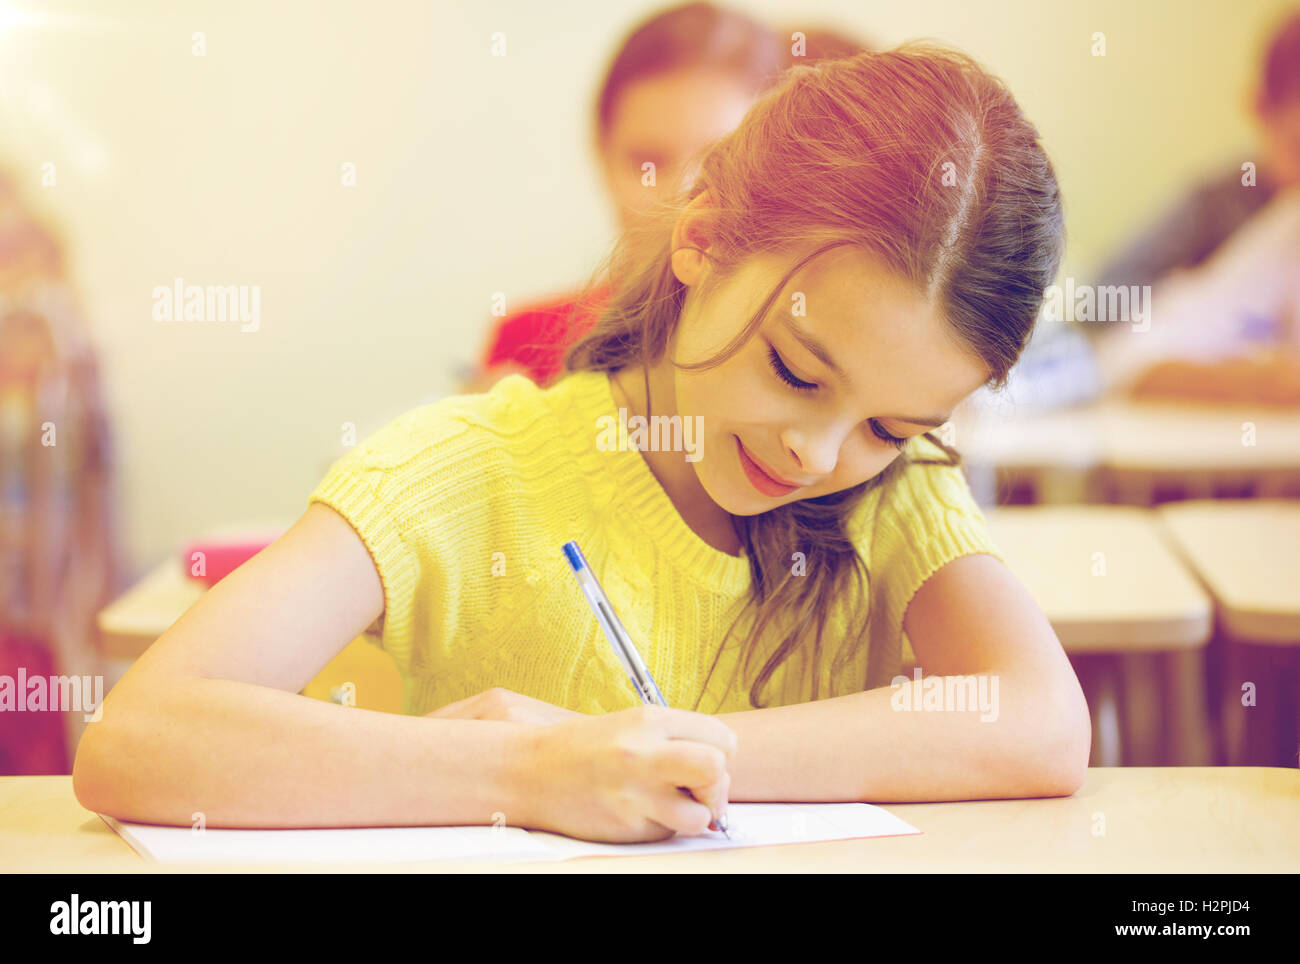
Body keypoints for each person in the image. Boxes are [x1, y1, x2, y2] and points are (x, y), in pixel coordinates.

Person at [74, 45, 1090, 845]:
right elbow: (139, 738)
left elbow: (1042, 721)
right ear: (702, 234)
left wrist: (673, 757)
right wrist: (530, 774)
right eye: (793, 370)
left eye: (889, 424)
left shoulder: (891, 492)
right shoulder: (468, 465)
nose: (821, 456)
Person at [466, 2, 788, 392]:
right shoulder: (526, 342)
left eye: (714, 161)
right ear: (602, 154)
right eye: (646, 162)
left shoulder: (798, 356)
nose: (679, 196)